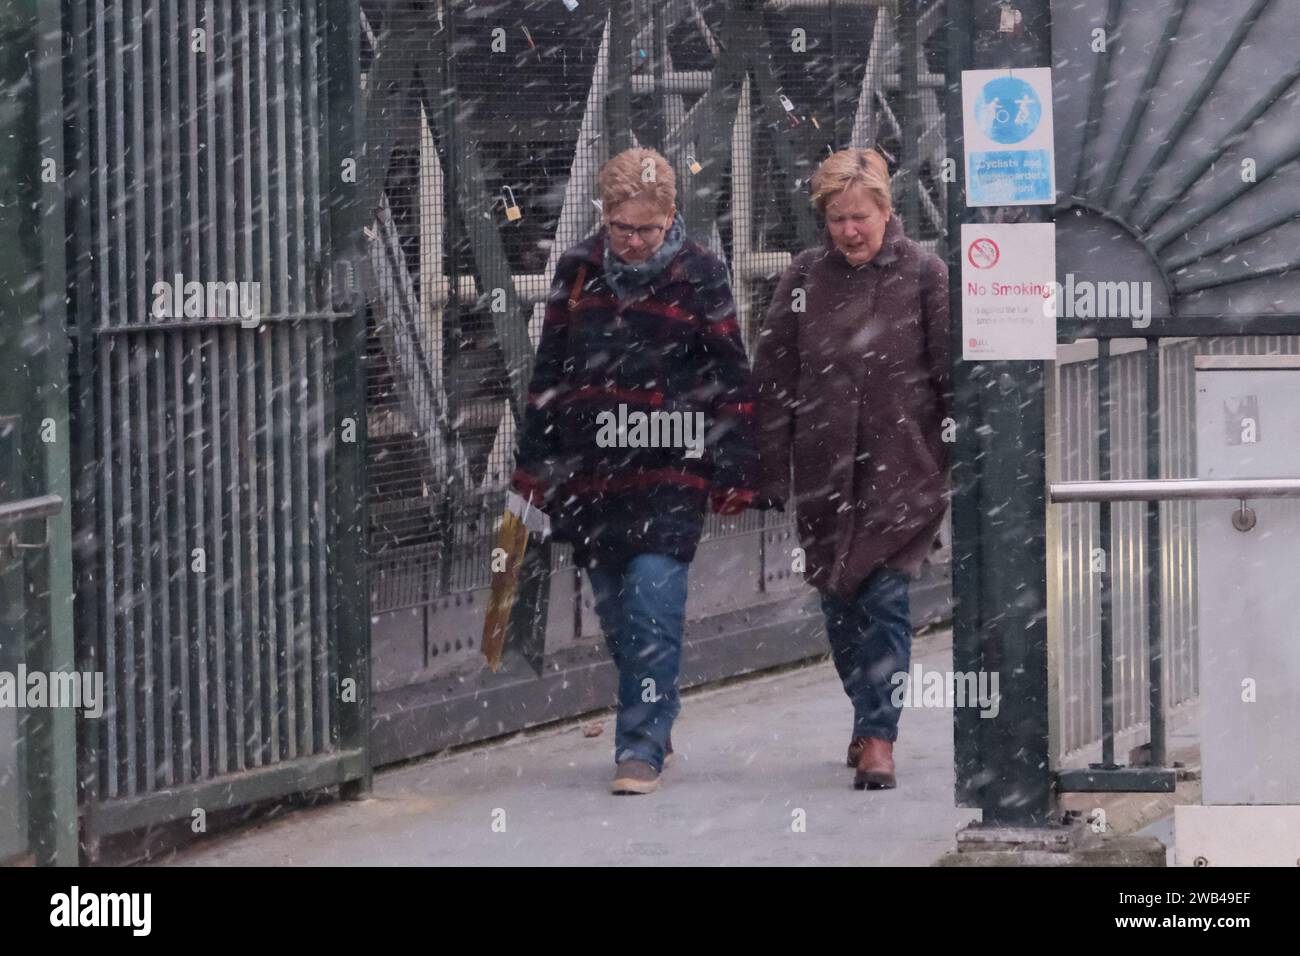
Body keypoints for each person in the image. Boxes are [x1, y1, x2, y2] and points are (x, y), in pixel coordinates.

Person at [512, 147, 758, 795]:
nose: (633, 242)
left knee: (652, 599)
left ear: (671, 216)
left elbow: (729, 372)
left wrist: (734, 469)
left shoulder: (700, 272)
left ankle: (640, 744)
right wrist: (533, 464)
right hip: (594, 473)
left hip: (672, 467)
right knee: (616, 612)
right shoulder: (577, 271)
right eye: (622, 228)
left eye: (647, 229)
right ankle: (653, 712)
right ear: (605, 216)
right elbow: (549, 370)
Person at [752, 148, 951, 790]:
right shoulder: (805, 277)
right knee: (840, 607)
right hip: (825, 476)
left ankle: (881, 739)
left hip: (903, 474)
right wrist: (768, 470)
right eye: (836, 219)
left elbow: (952, 379)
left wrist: (959, 458)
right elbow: (775, 378)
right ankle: (866, 716)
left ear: (887, 209)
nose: (850, 231)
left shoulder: (924, 275)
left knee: (887, 599)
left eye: (860, 216)